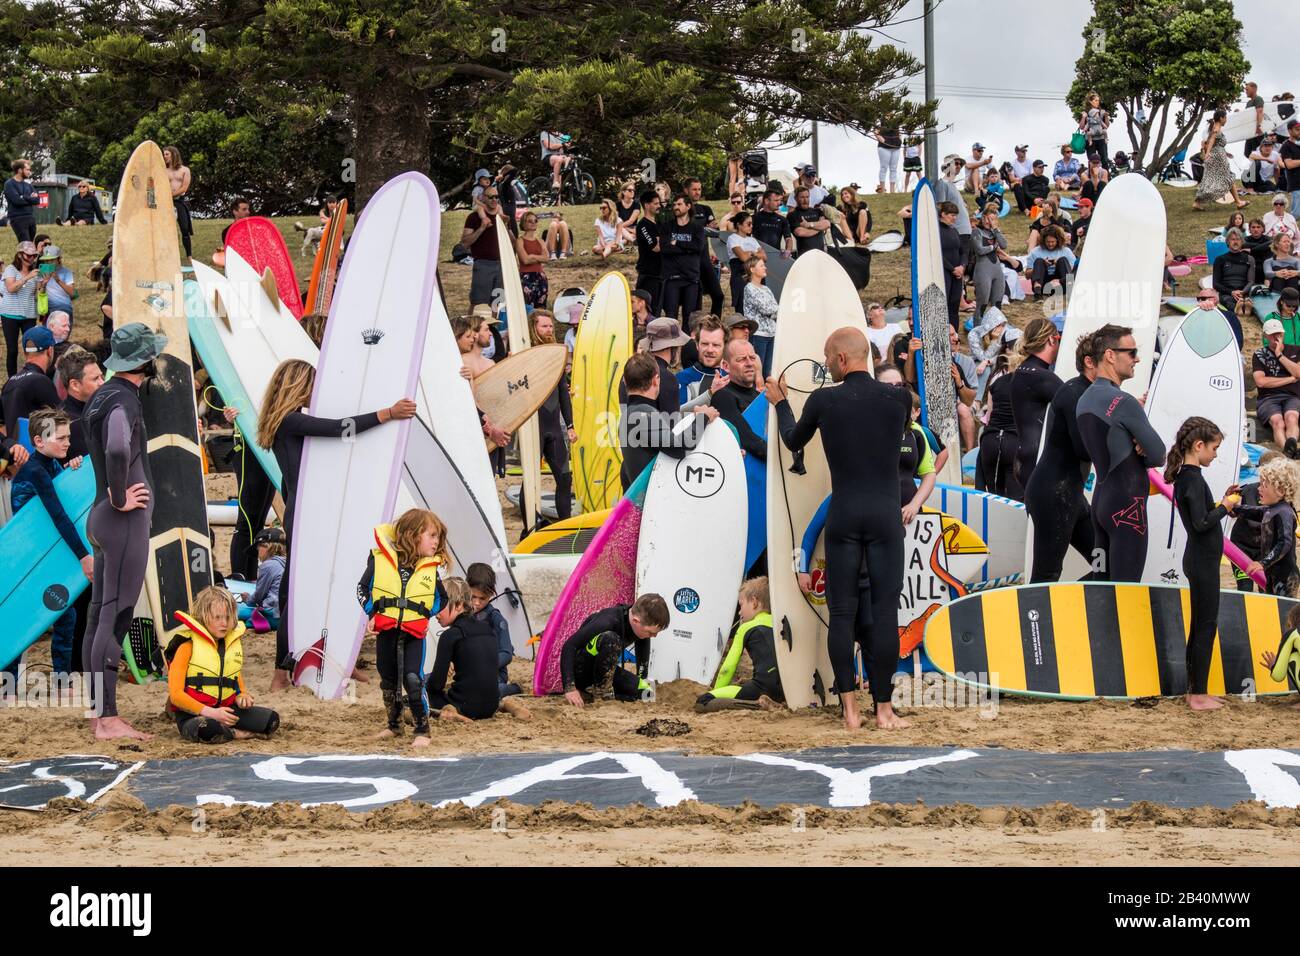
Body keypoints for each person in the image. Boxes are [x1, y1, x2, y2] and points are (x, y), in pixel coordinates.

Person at [765, 327, 913, 731]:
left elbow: (794, 439)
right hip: (885, 515)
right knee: (884, 613)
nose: (826, 364)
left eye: (828, 358)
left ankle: (850, 712)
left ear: (843, 360)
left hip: (844, 514)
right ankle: (884, 711)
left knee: (842, 613)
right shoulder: (898, 399)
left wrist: (780, 404)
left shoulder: (824, 400)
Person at [255, 358, 417, 691]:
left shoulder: (288, 423)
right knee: (295, 591)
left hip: (310, 510)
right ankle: (281, 673)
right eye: (312, 384)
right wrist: (387, 413)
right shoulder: (291, 421)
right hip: (306, 515)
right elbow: (340, 428)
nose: (317, 391)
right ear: (298, 386)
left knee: (327, 584)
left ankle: (335, 658)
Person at [80, 324, 168, 740]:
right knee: (116, 616)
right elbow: (117, 447)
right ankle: (108, 718)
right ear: (143, 361)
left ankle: (98, 712)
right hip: (122, 522)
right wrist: (121, 498)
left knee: (98, 614)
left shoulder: (99, 395)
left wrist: (110, 499)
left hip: (100, 517)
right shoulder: (124, 401)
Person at [4, 409, 91, 684]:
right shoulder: (35, 471)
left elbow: (65, 496)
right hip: (27, 558)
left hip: (42, 555)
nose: (67, 443)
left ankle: (60, 680)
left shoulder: (50, 466)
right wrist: (83, 556)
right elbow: (58, 516)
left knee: (65, 614)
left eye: (68, 437)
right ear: (39, 442)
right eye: (61, 438)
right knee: (23, 618)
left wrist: (71, 469)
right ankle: (11, 683)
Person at [1076, 325, 1167, 582]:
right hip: (1128, 507)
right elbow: (1158, 455)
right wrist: (1141, 451)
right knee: (1125, 592)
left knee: (1101, 586)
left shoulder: (1084, 400)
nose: (1137, 358)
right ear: (1110, 355)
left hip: (1101, 506)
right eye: (1132, 352)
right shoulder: (1124, 402)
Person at [1167, 417, 1240, 711]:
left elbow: (1201, 516)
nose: (1215, 454)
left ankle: (1194, 690)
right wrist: (1225, 507)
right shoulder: (1192, 479)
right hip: (1201, 560)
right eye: (1214, 448)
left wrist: (1222, 502)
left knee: (1200, 624)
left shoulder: (1189, 478)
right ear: (1199, 446)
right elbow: (1200, 523)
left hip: (1201, 559)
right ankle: (1197, 694)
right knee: (1205, 626)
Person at [358, 509, 448, 745]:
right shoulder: (379, 560)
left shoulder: (430, 568)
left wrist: (422, 615)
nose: (436, 541)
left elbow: (442, 599)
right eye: (431, 535)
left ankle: (422, 730)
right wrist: (372, 613)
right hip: (386, 631)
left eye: (438, 536)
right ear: (412, 535)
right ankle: (394, 726)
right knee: (388, 679)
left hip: (413, 634)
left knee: (412, 678)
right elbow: (361, 589)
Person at [1025, 332, 1097, 582]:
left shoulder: (1090, 393)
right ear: (1091, 362)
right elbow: (1084, 449)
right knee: (1047, 573)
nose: (1134, 360)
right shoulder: (1074, 393)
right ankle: (1034, 620)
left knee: (1105, 562)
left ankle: (1071, 609)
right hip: (1052, 495)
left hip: (1072, 496)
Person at [164, 586, 280, 743]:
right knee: (209, 729)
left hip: (227, 709)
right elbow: (176, 695)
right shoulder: (187, 646)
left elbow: (234, 676)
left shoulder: (228, 646)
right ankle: (236, 734)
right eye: (217, 617)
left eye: (227, 617)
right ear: (203, 617)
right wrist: (211, 713)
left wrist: (242, 695)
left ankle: (227, 730)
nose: (224, 623)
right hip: (195, 715)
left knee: (271, 721)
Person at [619, 352, 715, 489]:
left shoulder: (629, 415)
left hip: (640, 501)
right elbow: (681, 447)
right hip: (651, 504)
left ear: (625, 382)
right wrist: (703, 417)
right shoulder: (642, 414)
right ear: (656, 380)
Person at [559, 593, 669, 706]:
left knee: (647, 692)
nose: (653, 636)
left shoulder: (640, 627)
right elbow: (569, 646)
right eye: (651, 632)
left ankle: (590, 695)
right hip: (582, 671)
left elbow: (643, 660)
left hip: (605, 671)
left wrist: (641, 681)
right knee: (611, 639)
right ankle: (601, 694)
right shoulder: (608, 621)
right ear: (636, 621)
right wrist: (570, 688)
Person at [695, 576, 781, 711]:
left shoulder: (746, 628)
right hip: (786, 689)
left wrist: (717, 692)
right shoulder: (780, 624)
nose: (740, 612)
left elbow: (727, 668)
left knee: (703, 702)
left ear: (754, 602)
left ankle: (757, 705)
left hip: (762, 687)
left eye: (741, 605)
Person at [528, 310, 575, 522]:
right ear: (533, 328)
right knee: (530, 483)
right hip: (533, 427)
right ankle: (529, 526)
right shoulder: (525, 355)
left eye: (550, 326)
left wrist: (571, 425)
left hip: (554, 428)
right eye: (544, 326)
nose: (548, 330)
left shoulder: (558, 352)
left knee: (565, 478)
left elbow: (563, 393)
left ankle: (564, 525)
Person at [1009, 317, 1064, 491]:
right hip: (1038, 458)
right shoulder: (1042, 377)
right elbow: (1077, 405)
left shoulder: (1021, 371)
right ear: (1050, 339)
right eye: (1059, 340)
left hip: (1023, 456)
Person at [1233, 458, 1300, 597]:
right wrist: (1232, 508)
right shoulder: (1271, 509)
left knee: (1283, 612)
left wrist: (1263, 563)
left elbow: (1284, 543)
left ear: (1280, 490)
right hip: (1272, 573)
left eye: (1264, 485)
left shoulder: (1284, 513)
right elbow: (1253, 511)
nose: (1259, 488)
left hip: (1285, 577)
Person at [465, 562, 524, 701]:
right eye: (473, 596)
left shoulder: (496, 619)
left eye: (482, 598)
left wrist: (484, 665)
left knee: (486, 692)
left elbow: (507, 653)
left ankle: (512, 689)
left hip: (494, 673)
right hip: (467, 672)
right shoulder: (463, 615)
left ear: (491, 594)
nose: (477, 603)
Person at [710, 337, 766, 465]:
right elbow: (748, 441)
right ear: (726, 366)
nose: (749, 363)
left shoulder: (761, 397)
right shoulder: (723, 396)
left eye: (752, 358)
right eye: (741, 359)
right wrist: (783, 456)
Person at [2, 325, 60, 439]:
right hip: (35, 451)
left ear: (25, 353)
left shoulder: (9, 383)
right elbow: (60, 421)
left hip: (15, 453)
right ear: (50, 350)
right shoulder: (41, 381)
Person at [977, 356, 1020, 499]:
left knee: (992, 496)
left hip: (990, 440)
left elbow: (989, 415)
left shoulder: (996, 384)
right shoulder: (1027, 384)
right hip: (1013, 441)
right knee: (1014, 497)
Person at [659, 194, 705, 324]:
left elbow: (698, 247)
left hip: (691, 278)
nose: (675, 207)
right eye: (674, 205)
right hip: (672, 278)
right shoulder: (667, 227)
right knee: (671, 317)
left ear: (688, 206)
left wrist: (677, 243)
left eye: (679, 204)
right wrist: (688, 249)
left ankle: (687, 344)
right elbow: (665, 248)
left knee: (689, 317)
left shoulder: (697, 228)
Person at [685, 178, 725, 316]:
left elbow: (715, 231)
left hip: (704, 258)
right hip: (689, 260)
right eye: (694, 189)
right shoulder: (682, 209)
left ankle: (715, 327)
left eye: (699, 189)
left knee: (718, 296)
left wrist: (705, 229)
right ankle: (692, 331)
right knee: (696, 301)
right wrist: (703, 228)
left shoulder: (705, 209)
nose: (697, 192)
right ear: (686, 191)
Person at [1194, 111, 1249, 211]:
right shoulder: (1216, 128)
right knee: (1227, 177)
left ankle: (1197, 202)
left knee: (1210, 179)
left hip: (1217, 155)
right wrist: (1207, 153)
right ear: (1221, 118)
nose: (1226, 120)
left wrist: (1225, 153)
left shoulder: (1214, 127)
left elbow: (1215, 143)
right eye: (1225, 117)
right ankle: (1238, 202)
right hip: (1218, 157)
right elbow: (1211, 141)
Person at [2, 242, 41, 377]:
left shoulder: (36, 272)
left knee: (31, 348)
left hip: (29, 314)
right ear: (20, 255)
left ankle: (30, 376)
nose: (31, 258)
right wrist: (27, 277)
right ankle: (12, 379)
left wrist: (43, 284)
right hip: (10, 314)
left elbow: (37, 294)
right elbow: (11, 288)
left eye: (34, 256)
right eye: (28, 255)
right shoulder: (10, 269)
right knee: (12, 350)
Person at [460, 187, 504, 308]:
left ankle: (494, 326)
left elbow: (511, 240)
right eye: (490, 197)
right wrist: (481, 228)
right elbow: (465, 243)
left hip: (501, 265)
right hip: (483, 265)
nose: (494, 199)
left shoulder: (502, 217)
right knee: (478, 304)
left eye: (496, 197)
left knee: (497, 304)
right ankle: (473, 326)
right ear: (483, 198)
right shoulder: (474, 217)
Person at [236, 527, 285, 631]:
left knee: (234, 609)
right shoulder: (287, 563)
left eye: (258, 548)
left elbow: (259, 596)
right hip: (286, 613)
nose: (257, 553)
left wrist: (248, 599)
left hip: (272, 615)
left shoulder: (268, 566)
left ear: (267, 546)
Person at [676, 313, 727, 411]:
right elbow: (677, 415)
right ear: (697, 345)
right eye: (705, 344)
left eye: (716, 345)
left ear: (724, 347)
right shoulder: (682, 378)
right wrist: (710, 393)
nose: (710, 349)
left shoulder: (730, 379)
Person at [967, 307, 1017, 402]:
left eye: (1003, 325)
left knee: (1005, 367)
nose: (1002, 328)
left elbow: (1002, 354)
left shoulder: (1004, 333)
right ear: (991, 325)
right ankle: (977, 401)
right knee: (985, 370)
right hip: (976, 361)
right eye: (1000, 325)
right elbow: (982, 357)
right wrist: (994, 341)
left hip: (996, 360)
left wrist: (988, 361)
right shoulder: (974, 334)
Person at [970, 203, 1008, 320]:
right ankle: (977, 329)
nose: (989, 222)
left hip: (996, 271)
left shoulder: (994, 232)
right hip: (983, 271)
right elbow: (980, 250)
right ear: (982, 218)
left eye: (992, 219)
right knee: (982, 304)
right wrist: (993, 248)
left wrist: (996, 229)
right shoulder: (977, 232)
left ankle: (994, 327)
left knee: (997, 304)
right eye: (987, 218)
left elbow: (1004, 245)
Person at [742, 257, 778, 376]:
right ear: (752, 269)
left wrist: (774, 310)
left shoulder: (766, 289)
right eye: (761, 265)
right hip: (759, 335)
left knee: (767, 372)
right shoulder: (749, 288)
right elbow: (766, 308)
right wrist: (775, 310)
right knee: (758, 371)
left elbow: (775, 307)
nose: (765, 268)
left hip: (771, 333)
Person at [725, 211, 764, 311]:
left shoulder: (752, 240)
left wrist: (751, 253)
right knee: (742, 308)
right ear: (738, 224)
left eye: (752, 224)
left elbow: (764, 257)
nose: (751, 226)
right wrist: (755, 254)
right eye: (748, 224)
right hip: (741, 276)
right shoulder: (732, 238)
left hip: (756, 276)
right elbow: (743, 257)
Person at [1024, 226, 1076, 301]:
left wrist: (1057, 263)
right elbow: (1027, 276)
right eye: (1048, 242)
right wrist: (1039, 268)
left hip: (1061, 284)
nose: (1050, 244)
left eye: (1053, 242)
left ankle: (1069, 289)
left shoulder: (1066, 251)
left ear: (1058, 241)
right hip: (1044, 285)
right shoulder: (1035, 252)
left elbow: (1074, 271)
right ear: (1043, 241)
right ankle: (1037, 292)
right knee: (1039, 261)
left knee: (1063, 260)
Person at [1262, 605, 1300, 703]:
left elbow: (1278, 675)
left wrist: (1273, 666)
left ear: (1291, 620)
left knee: (1292, 657)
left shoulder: (1293, 633)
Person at [633, 189, 663, 315]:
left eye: (659, 203)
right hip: (649, 275)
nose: (659, 206)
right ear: (646, 205)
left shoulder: (660, 223)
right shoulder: (643, 225)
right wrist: (666, 240)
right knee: (648, 310)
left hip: (662, 273)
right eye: (655, 203)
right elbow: (656, 247)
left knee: (659, 309)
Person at [937, 200, 965, 329]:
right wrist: (952, 268)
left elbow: (962, 251)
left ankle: (954, 334)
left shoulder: (954, 231)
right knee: (944, 303)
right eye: (952, 215)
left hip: (957, 273)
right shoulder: (936, 231)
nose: (955, 218)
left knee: (954, 304)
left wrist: (962, 266)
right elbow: (937, 253)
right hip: (944, 272)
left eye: (955, 215)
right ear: (943, 214)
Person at [162, 146, 194, 258]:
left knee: (185, 229)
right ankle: (168, 255)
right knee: (166, 230)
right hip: (166, 203)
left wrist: (169, 196)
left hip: (179, 202)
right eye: (164, 154)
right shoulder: (162, 170)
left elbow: (184, 188)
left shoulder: (185, 170)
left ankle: (189, 256)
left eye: (167, 154)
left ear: (173, 154)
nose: (164, 156)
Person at [751, 187, 795, 258]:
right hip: (758, 257)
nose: (779, 203)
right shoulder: (754, 218)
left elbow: (788, 239)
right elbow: (746, 237)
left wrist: (788, 251)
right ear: (766, 201)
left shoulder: (782, 220)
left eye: (780, 200)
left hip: (775, 256)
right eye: (776, 200)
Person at [37, 245, 75, 322]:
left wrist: (58, 281)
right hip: (48, 309)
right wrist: (44, 284)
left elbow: (72, 293)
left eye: (52, 260)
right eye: (46, 260)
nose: (49, 263)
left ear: (58, 259)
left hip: (63, 308)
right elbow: (39, 294)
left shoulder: (66, 272)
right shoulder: (42, 272)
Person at [4, 158, 38, 243]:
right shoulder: (9, 184)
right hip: (18, 218)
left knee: (30, 244)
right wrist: (30, 198)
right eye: (27, 170)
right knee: (25, 244)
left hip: (30, 217)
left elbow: (37, 200)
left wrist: (24, 197)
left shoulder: (28, 185)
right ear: (19, 170)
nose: (29, 172)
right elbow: (17, 201)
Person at [1078, 91, 1112, 168]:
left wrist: (1106, 117)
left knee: (1104, 160)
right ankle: (1092, 178)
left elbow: (1106, 125)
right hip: (1090, 140)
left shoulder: (1101, 112)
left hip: (1101, 138)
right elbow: (1082, 127)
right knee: (1091, 160)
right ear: (1090, 101)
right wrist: (1083, 117)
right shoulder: (1086, 112)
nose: (1097, 102)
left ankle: (1105, 178)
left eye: (1098, 100)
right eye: (1096, 100)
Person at [1243, 81, 1269, 155]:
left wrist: (1258, 126)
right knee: (1247, 153)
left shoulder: (1258, 99)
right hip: (1250, 131)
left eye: (1247, 89)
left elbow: (1260, 112)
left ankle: (1260, 165)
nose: (1246, 92)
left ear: (1254, 89)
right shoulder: (1248, 102)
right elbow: (1247, 115)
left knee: (1258, 151)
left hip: (1257, 130)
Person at [1282, 119, 1300, 220]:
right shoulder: (1286, 146)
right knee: (1296, 215)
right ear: (1289, 131)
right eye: (1297, 129)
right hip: (1296, 184)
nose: (1299, 131)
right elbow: (1289, 164)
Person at [876, 127, 902, 193]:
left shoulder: (896, 120)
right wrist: (882, 140)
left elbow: (899, 131)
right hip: (884, 147)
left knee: (893, 168)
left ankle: (892, 191)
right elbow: (875, 131)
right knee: (884, 167)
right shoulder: (882, 120)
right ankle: (882, 190)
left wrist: (899, 140)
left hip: (896, 147)